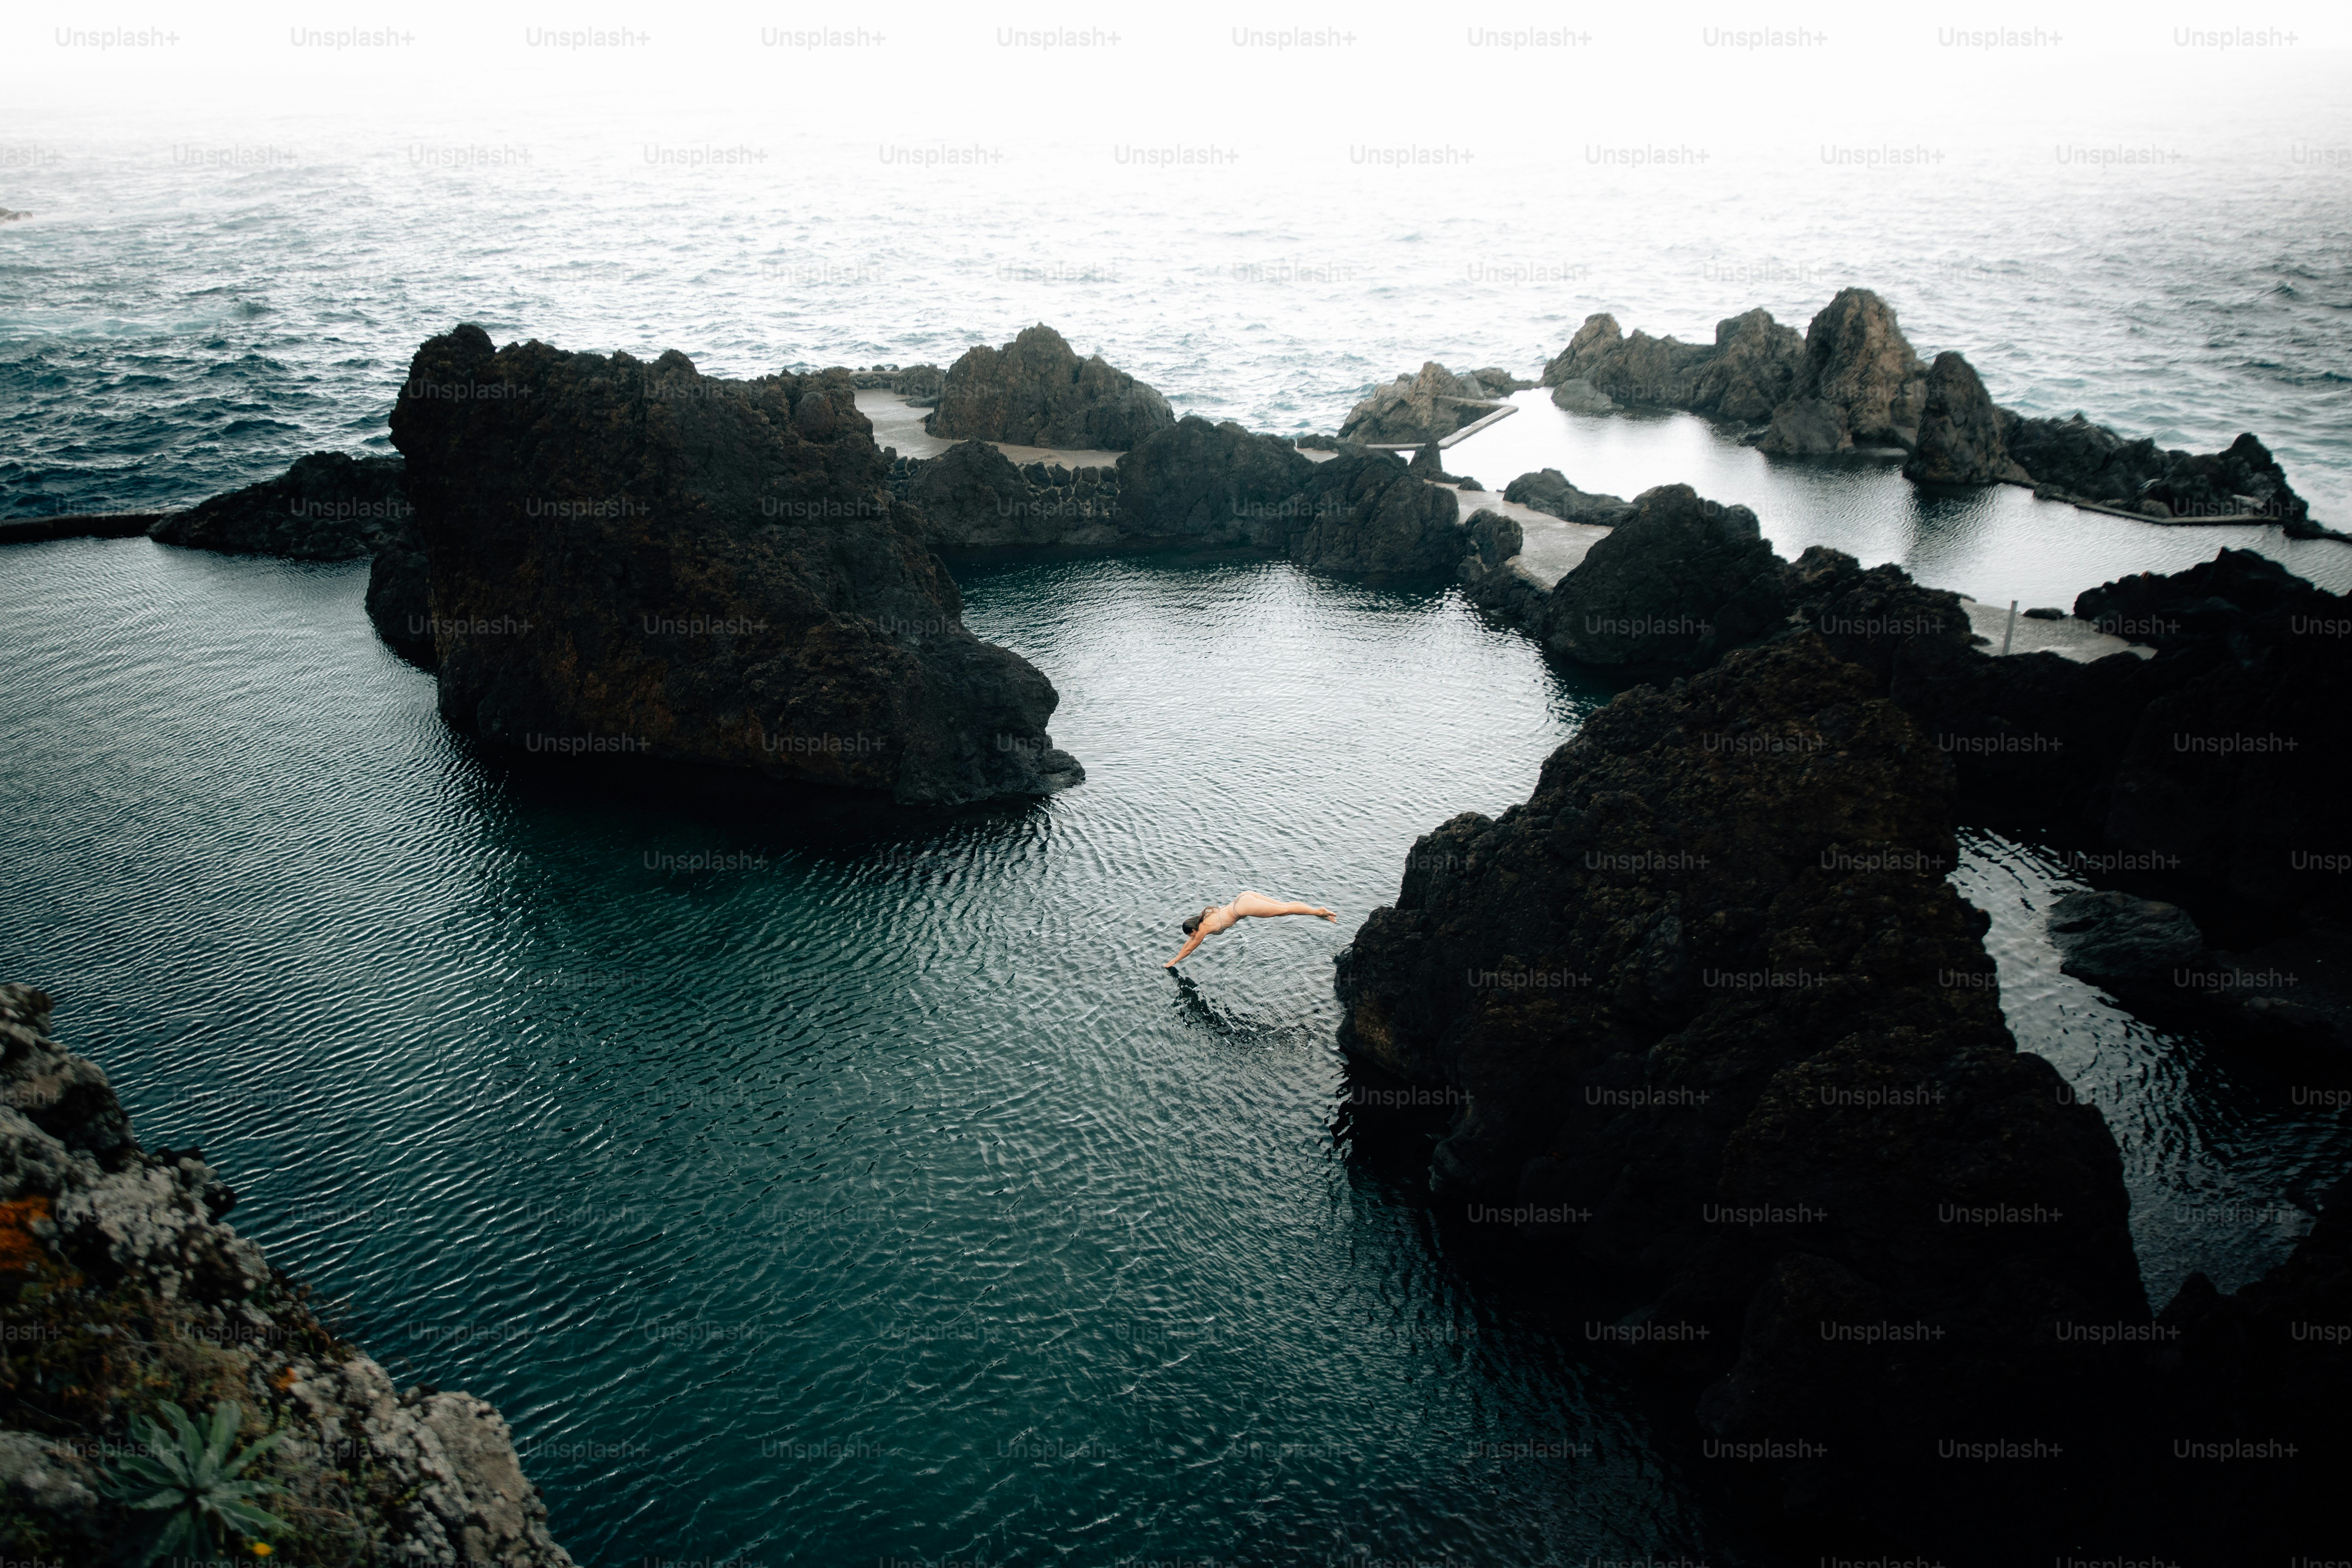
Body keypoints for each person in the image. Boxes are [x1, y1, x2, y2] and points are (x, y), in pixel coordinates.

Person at [1164, 890, 1336, 967]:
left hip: (1243, 908)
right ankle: (1317, 912)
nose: (1192, 937)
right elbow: (1190, 941)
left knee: (1285, 910)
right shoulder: (1203, 920)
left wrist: (1175, 961)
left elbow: (1191, 947)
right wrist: (1176, 956)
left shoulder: (1203, 930)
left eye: (1191, 935)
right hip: (1243, 897)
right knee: (1284, 909)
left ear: (1193, 931)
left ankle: (1319, 912)